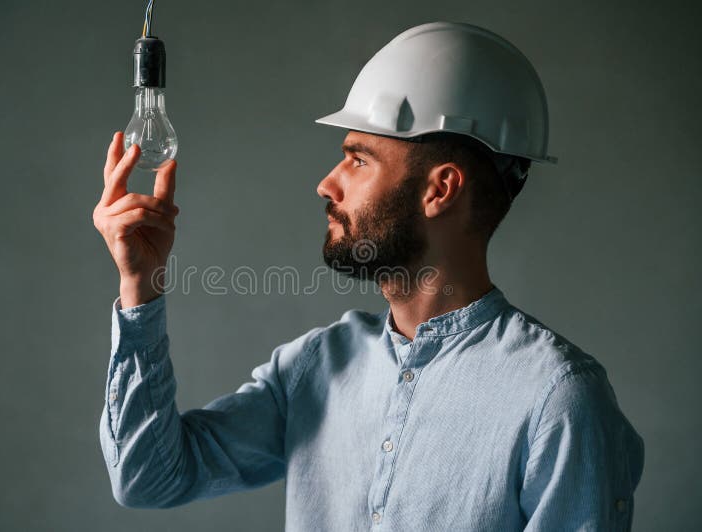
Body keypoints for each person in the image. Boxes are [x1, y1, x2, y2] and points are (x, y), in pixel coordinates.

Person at [93, 22, 645, 531]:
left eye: (358, 159)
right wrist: (139, 288)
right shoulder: (316, 367)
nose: (326, 184)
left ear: (440, 190)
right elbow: (149, 478)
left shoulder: (557, 398)